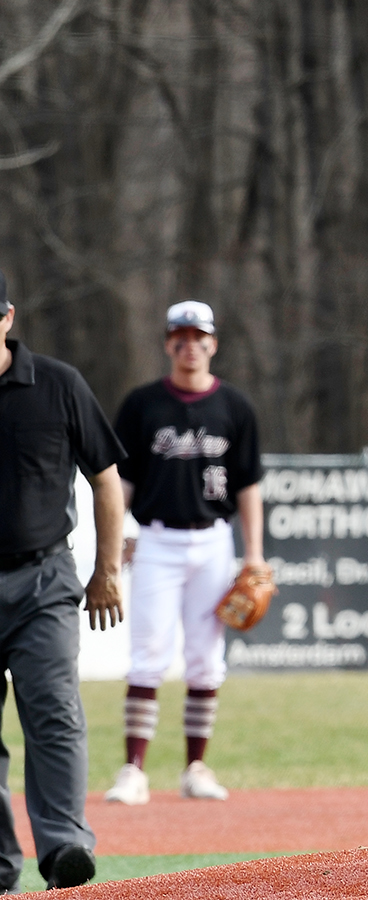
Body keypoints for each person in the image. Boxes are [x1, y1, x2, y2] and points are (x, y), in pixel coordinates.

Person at [105, 300, 264, 805]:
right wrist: (116, 540)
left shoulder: (234, 407)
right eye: (181, 336)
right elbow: (121, 480)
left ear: (213, 344)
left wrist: (254, 554)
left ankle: (196, 766)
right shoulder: (142, 404)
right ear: (168, 342)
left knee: (204, 658)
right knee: (147, 655)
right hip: (155, 538)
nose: (190, 345)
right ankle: (133, 770)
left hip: (213, 540)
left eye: (199, 337)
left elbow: (249, 487)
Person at [0, 272, 126, 890]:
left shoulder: (57, 384)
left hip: (43, 579)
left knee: (53, 714)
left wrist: (107, 571)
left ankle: (64, 851)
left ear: (7, 318)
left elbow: (104, 478)